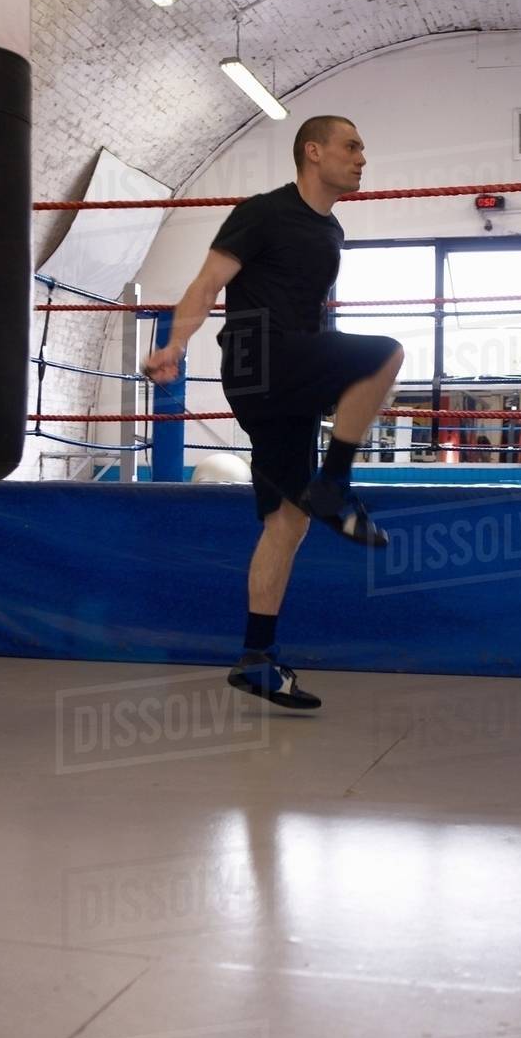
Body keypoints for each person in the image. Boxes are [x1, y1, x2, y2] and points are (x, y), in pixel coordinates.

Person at [145, 116, 404, 710]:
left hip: (291, 375)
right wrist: (176, 346)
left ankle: (255, 658)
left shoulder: (331, 229)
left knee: (287, 522)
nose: (362, 158)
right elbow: (209, 281)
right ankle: (336, 484)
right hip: (260, 357)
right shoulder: (263, 211)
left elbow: (312, 313)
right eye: (352, 146)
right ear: (313, 152)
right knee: (386, 354)